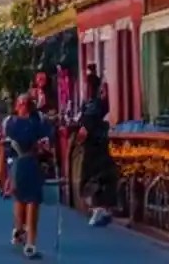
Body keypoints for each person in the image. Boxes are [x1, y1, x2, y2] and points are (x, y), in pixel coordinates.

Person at [6, 93, 52, 259]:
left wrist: (45, 145)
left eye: (27, 103)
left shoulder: (37, 121)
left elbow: (48, 138)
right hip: (19, 164)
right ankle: (19, 230)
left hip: (33, 165)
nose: (24, 106)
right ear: (17, 106)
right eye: (22, 103)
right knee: (20, 199)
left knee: (32, 202)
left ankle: (30, 242)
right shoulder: (12, 123)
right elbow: (7, 147)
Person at [77, 72, 117, 227]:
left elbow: (84, 131)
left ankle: (98, 209)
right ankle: (103, 209)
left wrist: (80, 139)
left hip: (93, 148)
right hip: (102, 145)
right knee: (103, 178)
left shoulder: (91, 107)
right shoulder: (99, 104)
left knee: (89, 180)